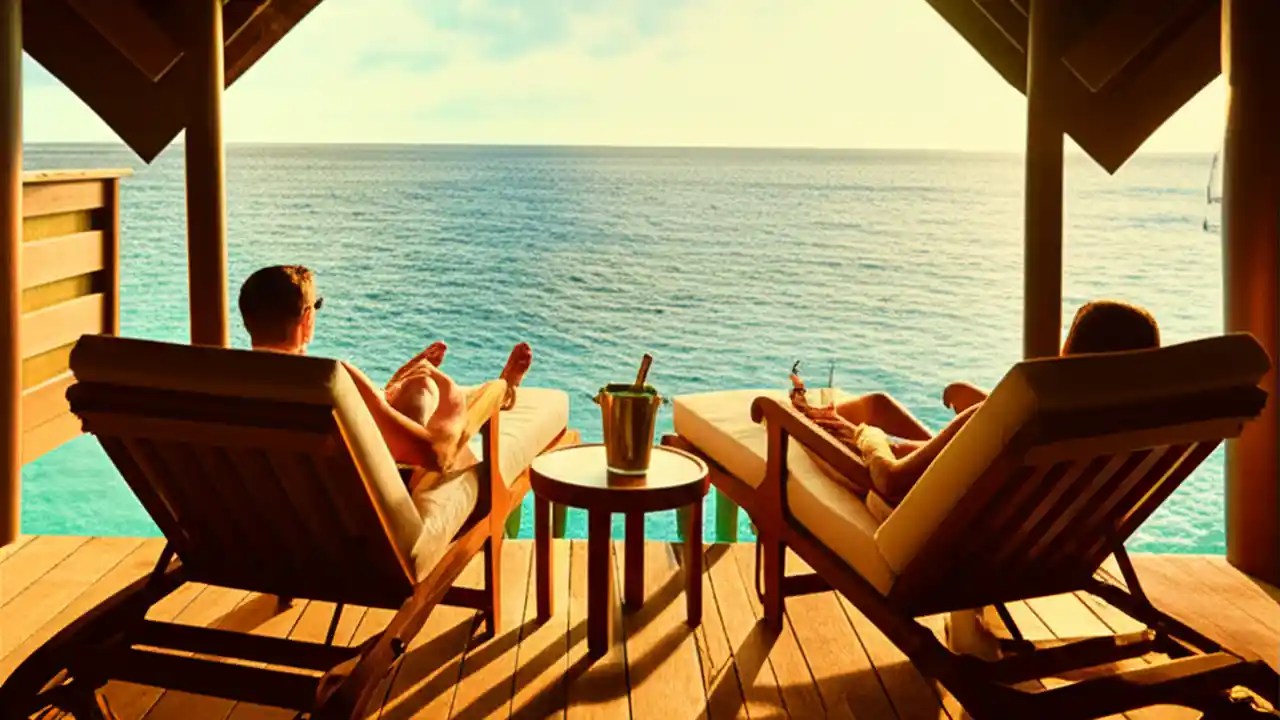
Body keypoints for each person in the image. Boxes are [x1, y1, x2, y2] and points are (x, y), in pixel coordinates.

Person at [799, 300, 1161, 506]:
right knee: (878, 403)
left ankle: (798, 422)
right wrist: (988, 410)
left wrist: (868, 437)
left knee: (814, 429)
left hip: (928, 522)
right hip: (1008, 519)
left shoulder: (1024, 424)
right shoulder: (1128, 440)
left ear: (1069, 355)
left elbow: (892, 483)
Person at [236, 265, 532, 487]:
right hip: (354, 529)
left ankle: (400, 387)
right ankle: (503, 390)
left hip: (266, 528)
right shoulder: (332, 380)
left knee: (413, 389)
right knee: (456, 395)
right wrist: (453, 403)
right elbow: (433, 455)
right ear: (307, 318)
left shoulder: (226, 383)